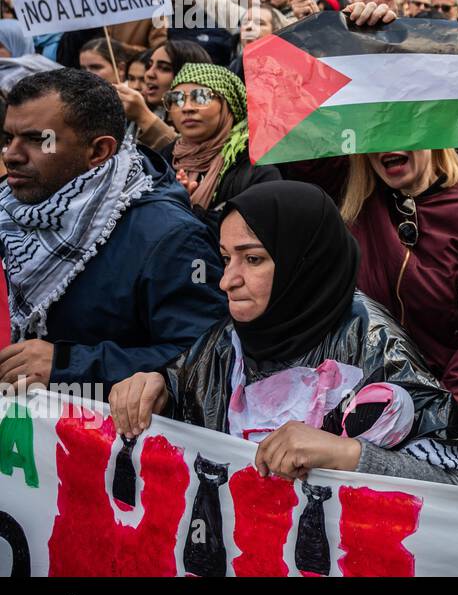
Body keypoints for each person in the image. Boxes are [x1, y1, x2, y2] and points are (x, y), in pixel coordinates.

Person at [107, 181, 458, 485]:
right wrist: (156, 389)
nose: (226, 281)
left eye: (252, 259)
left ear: (304, 260)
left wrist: (346, 454)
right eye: (224, 258)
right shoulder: (229, 336)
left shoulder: (371, 337)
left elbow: (452, 482)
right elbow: (188, 388)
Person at [0, 69, 225, 389]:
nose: (11, 155)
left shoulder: (171, 239)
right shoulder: (8, 207)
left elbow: (206, 361)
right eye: (8, 138)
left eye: (38, 140)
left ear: (99, 151)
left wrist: (66, 364)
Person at [338, 146, 458, 491]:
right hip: (372, 421)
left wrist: (437, 415)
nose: (389, 144)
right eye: (378, 134)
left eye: (403, 128)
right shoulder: (358, 210)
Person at [161, 63, 279, 218]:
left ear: (227, 105)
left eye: (201, 97)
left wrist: (188, 213)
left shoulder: (255, 168)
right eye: (177, 99)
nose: (186, 108)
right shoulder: (161, 160)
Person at [116, 40, 213, 152]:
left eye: (164, 68)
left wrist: (143, 116)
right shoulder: (144, 109)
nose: (149, 74)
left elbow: (185, 153)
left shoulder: (202, 113)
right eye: (149, 66)